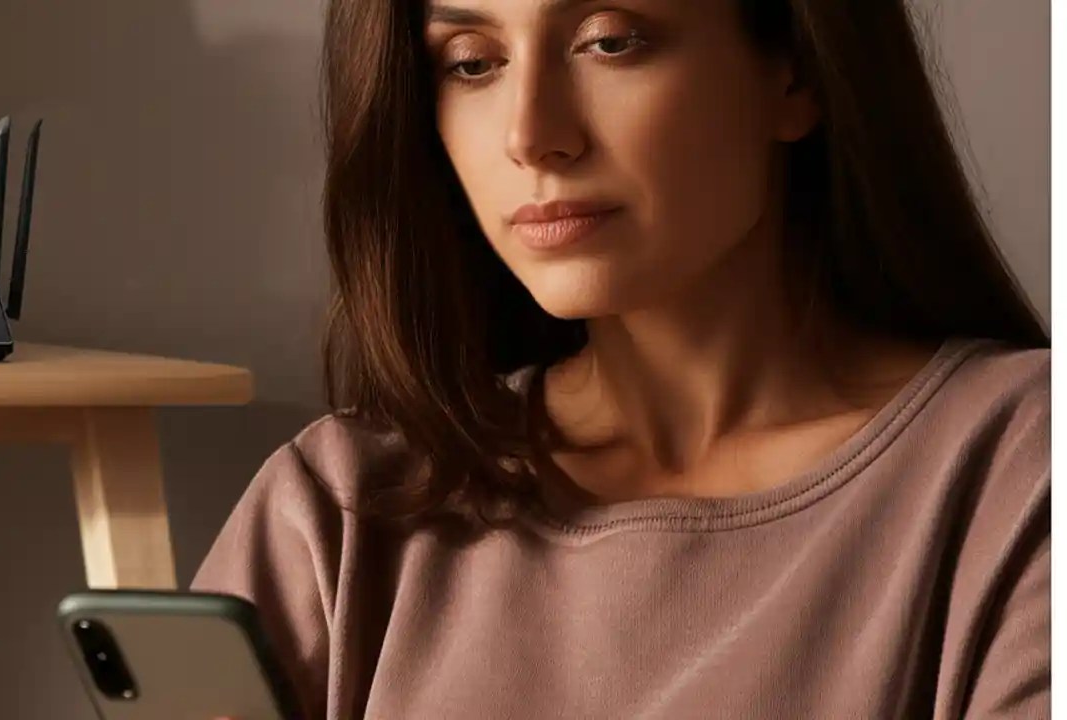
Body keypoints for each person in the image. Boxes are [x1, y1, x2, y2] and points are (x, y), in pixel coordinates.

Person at [193, 0, 1050, 717]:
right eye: (470, 62)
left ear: (794, 70)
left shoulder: (1021, 474)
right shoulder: (339, 506)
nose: (531, 135)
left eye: (609, 40)